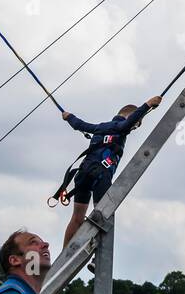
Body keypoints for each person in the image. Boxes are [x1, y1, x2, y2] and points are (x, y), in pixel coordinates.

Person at [57, 97, 162, 249]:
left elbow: (79, 125)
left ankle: (64, 254)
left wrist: (68, 117)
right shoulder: (122, 127)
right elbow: (129, 122)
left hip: (83, 174)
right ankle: (97, 258)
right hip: (101, 177)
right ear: (129, 116)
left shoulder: (99, 127)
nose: (134, 128)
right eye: (136, 125)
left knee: (77, 218)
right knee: (103, 218)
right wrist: (148, 105)